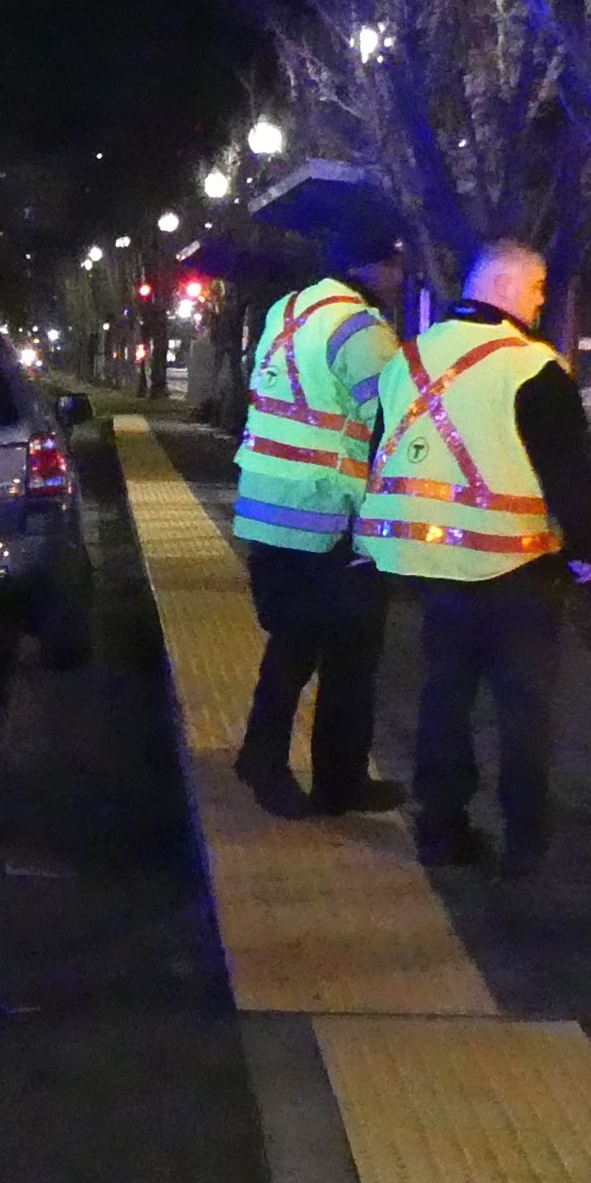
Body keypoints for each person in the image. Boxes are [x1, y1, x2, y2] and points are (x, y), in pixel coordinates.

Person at [362, 241, 591, 874]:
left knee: (443, 698)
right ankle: (525, 842)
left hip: (430, 568)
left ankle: (441, 829)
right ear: (508, 285)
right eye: (537, 290)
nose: (540, 302)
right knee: (524, 708)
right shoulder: (532, 367)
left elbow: (383, 448)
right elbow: (568, 474)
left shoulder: (411, 358)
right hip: (515, 571)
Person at [228, 227, 406, 817]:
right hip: (326, 515)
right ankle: (305, 772)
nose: (401, 278)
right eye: (396, 264)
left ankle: (304, 770)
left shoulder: (290, 309)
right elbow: (393, 424)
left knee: (296, 643)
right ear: (374, 267)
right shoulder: (359, 328)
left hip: (268, 506)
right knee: (346, 653)